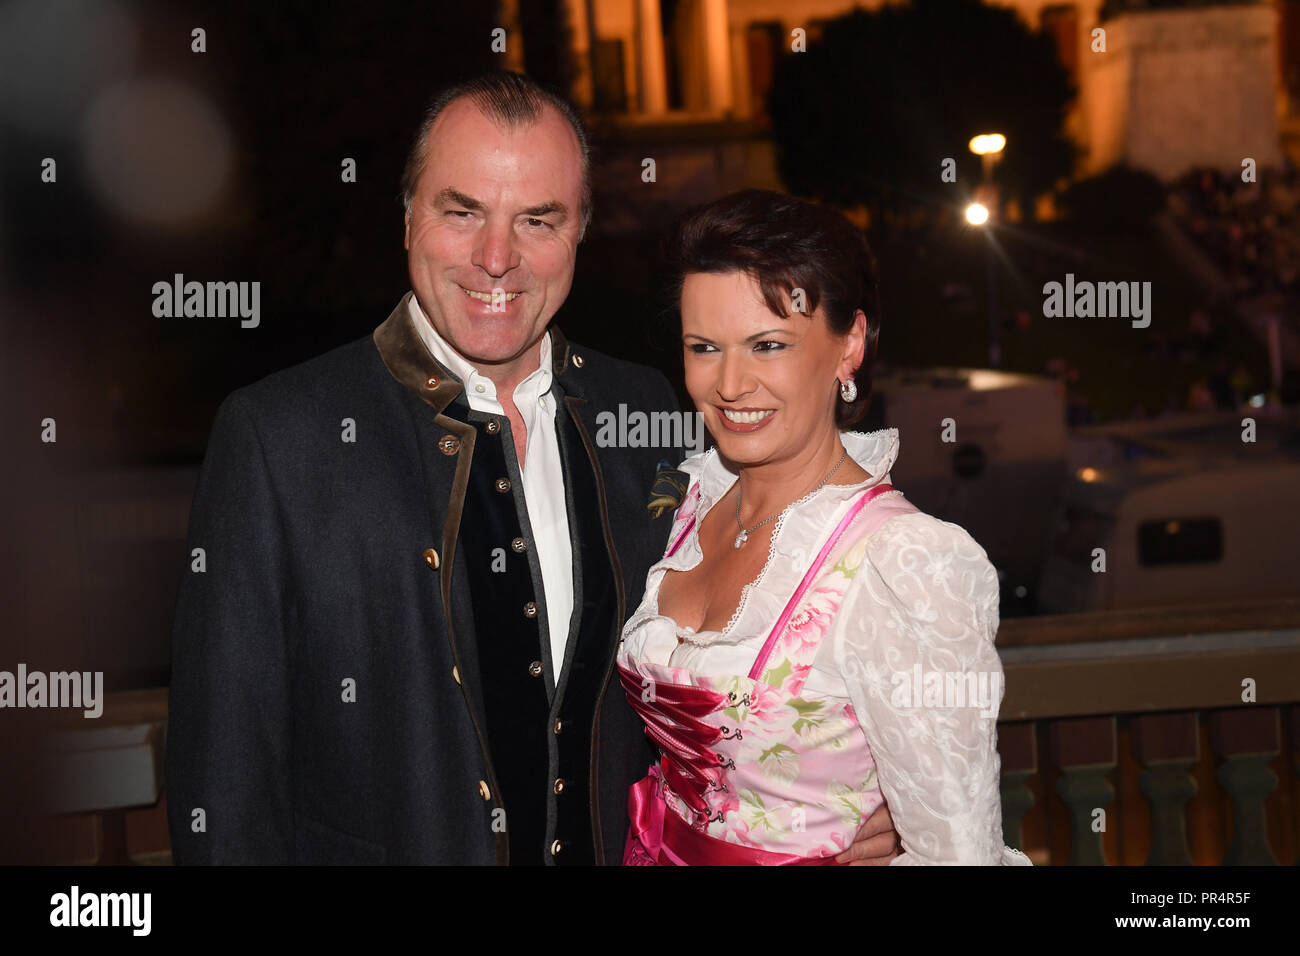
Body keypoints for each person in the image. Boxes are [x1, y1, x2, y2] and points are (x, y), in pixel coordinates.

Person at [166, 72, 900, 865]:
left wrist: (846, 795)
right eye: (463, 212)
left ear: (580, 227)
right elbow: (225, 775)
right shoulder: (280, 436)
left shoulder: (643, 409)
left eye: (537, 220)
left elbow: (752, 635)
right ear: (408, 215)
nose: (496, 259)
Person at [618, 189, 1032, 865]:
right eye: (704, 346)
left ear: (850, 345)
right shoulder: (686, 502)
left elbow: (958, 852)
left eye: (768, 345)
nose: (729, 383)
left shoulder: (902, 562)